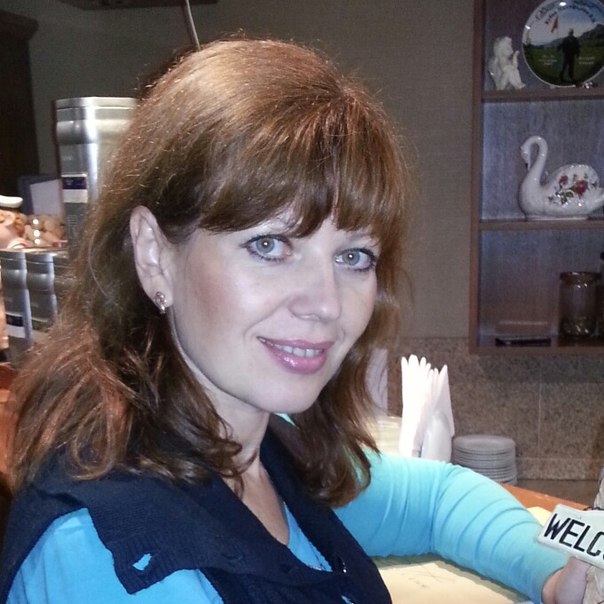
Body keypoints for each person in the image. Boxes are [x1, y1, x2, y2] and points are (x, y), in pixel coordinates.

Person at [0, 38, 589, 603]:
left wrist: (554, 578)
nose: (326, 304)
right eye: (270, 245)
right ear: (155, 254)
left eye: (354, 256)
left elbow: (439, 499)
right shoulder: (113, 557)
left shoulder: (262, 446)